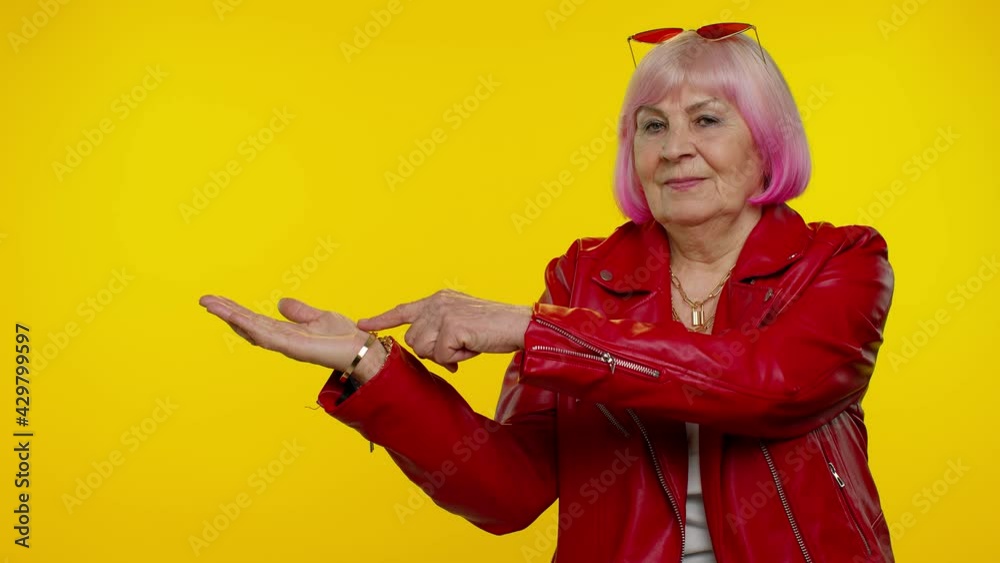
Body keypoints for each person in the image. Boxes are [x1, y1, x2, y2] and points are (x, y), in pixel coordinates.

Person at [200, 24, 895, 562]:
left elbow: (769, 387)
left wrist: (532, 329)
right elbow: (511, 489)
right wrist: (372, 367)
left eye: (706, 119)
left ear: (766, 140)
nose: (674, 146)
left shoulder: (841, 260)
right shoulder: (582, 278)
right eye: (652, 125)